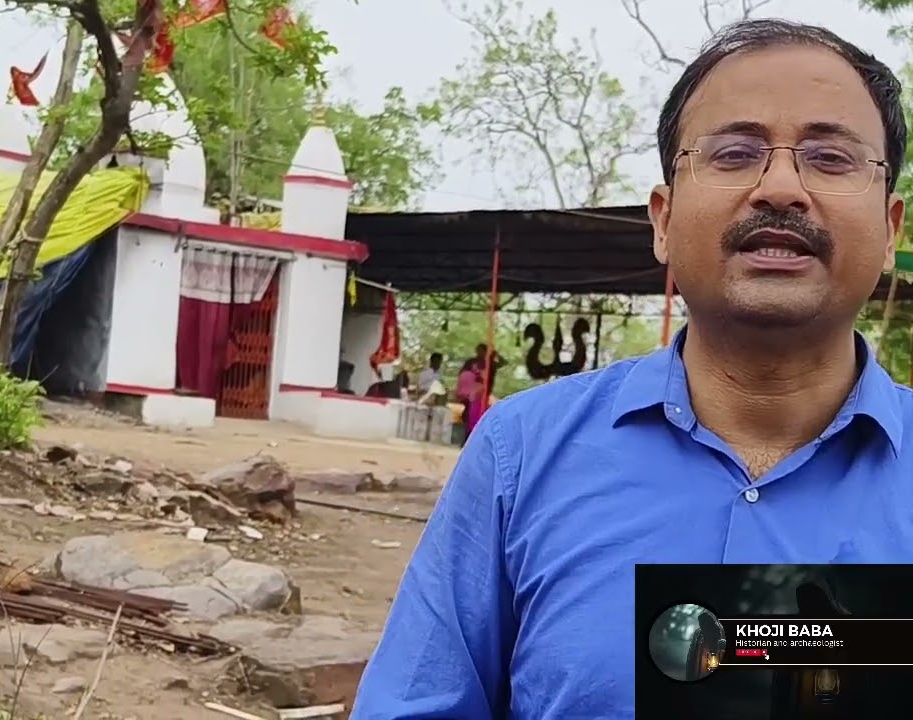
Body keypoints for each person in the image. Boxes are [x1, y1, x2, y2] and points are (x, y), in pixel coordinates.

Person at [353, 19, 913, 719]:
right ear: (663, 218)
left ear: (891, 228)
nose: (780, 188)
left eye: (829, 158)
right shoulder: (521, 456)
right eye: (735, 152)